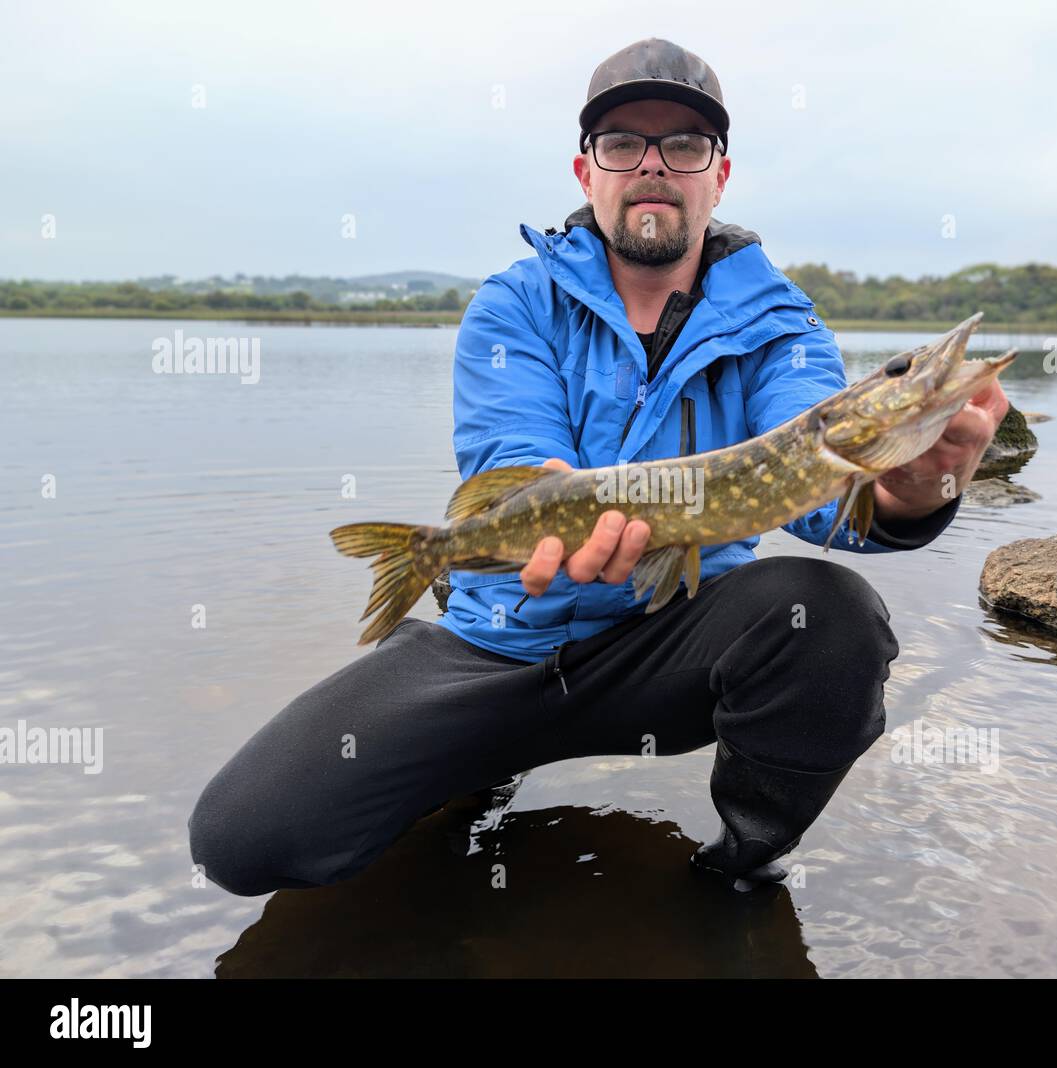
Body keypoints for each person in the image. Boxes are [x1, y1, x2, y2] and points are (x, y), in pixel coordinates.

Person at [188, 37, 1008, 895]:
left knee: (829, 617)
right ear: (588, 171)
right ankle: (469, 761)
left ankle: (742, 867)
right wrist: (544, 506)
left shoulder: (786, 329)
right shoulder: (515, 302)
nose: (654, 165)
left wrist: (920, 485)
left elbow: (821, 510)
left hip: (669, 645)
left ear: (718, 176)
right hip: (502, 638)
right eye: (624, 143)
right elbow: (508, 459)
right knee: (244, 836)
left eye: (685, 145)